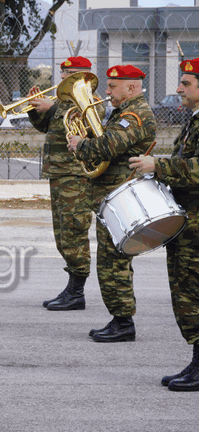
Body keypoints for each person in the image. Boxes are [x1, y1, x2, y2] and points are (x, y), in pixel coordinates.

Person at [67, 64, 156, 342]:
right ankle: (119, 319)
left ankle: (123, 322)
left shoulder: (135, 115)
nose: (106, 91)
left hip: (121, 197)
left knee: (113, 262)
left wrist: (79, 144)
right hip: (111, 196)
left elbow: (107, 146)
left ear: (131, 88)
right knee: (110, 261)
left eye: (112, 86)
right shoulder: (123, 113)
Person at [129, 58, 199, 390]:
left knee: (194, 294)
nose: (178, 89)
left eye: (185, 83)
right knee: (187, 293)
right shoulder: (194, 121)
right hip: (189, 224)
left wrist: (159, 165)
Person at [26, 57, 102, 311]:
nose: (62, 78)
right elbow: (46, 127)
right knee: (62, 233)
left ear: (82, 75)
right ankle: (72, 285)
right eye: (63, 72)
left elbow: (88, 130)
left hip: (75, 175)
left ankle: (77, 290)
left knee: (74, 230)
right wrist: (33, 109)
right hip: (58, 173)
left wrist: (53, 108)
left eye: (68, 73)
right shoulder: (62, 102)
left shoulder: (91, 101)